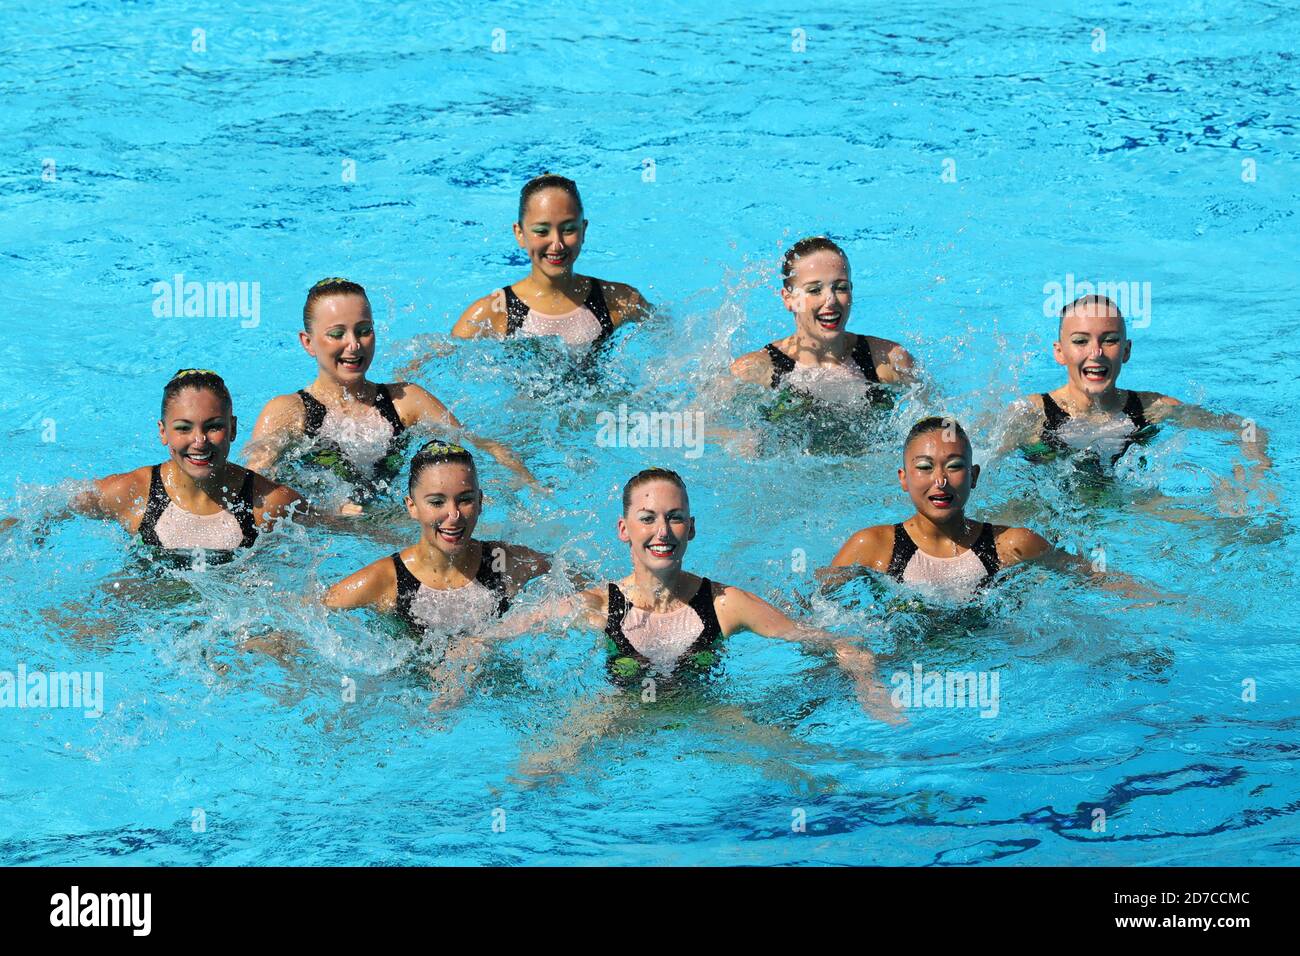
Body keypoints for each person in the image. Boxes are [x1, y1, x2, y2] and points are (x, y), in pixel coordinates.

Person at [245, 277, 539, 505]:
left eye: (364, 330)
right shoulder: (289, 412)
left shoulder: (404, 401)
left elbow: (476, 447)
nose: (354, 344)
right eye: (337, 334)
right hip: (326, 535)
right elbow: (252, 492)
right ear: (307, 342)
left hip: (392, 521)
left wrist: (526, 485)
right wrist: (325, 512)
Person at [821, 416, 1160, 600]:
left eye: (953, 466)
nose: (939, 480)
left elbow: (1091, 577)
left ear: (974, 476)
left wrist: (1163, 603)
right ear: (904, 478)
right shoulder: (873, 547)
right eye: (924, 467)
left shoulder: (1012, 545)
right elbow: (817, 607)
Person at [1005, 294, 1271, 479]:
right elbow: (972, 452)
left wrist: (1257, 470)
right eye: (1080, 341)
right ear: (1060, 352)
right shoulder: (1031, 414)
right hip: (1044, 513)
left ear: (1126, 350)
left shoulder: (1150, 409)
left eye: (1109, 340)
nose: (1096, 352)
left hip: (1126, 508)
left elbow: (1247, 427)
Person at [322, 440, 550, 641]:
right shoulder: (387, 580)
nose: (453, 515)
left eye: (465, 500)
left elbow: (580, 587)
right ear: (412, 507)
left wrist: (516, 626)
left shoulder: (503, 563)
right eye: (436, 502)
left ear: (480, 502)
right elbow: (310, 613)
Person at [58, 369, 301, 556]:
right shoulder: (132, 493)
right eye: (183, 428)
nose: (199, 441)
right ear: (163, 432)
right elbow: (51, 506)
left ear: (233, 428)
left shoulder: (269, 503)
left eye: (213, 426)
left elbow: (330, 526)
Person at [451, 174, 650, 347]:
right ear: (519, 234)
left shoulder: (619, 300)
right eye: (541, 231)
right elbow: (428, 368)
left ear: (583, 231)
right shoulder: (494, 313)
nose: (557, 244)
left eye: (568, 229)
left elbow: (670, 345)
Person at [731, 236, 916, 407]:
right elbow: (703, 425)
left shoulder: (889, 360)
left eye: (841, 287)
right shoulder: (756, 370)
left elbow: (937, 420)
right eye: (814, 290)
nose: (831, 300)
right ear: (789, 299)